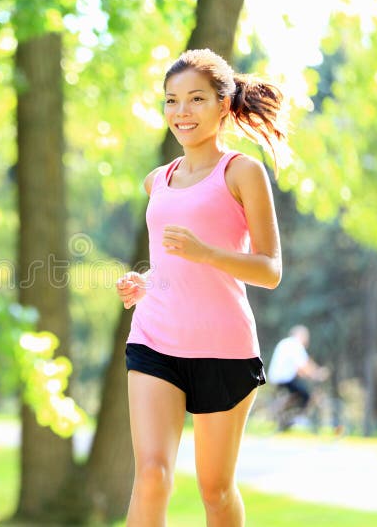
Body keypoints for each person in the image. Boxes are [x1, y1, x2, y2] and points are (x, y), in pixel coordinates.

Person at [115, 48, 290, 526]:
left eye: (194, 99)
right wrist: (143, 283)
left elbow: (270, 269)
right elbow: (171, 265)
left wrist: (208, 254)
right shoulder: (159, 181)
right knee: (151, 475)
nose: (181, 113)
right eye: (171, 101)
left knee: (215, 491)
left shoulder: (241, 172)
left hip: (224, 350)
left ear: (222, 102)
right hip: (155, 340)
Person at [267, 325, 330, 425]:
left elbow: (299, 368)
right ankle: (296, 419)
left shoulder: (286, 342)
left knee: (296, 394)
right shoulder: (295, 345)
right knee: (305, 395)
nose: (307, 341)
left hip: (277, 377)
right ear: (301, 335)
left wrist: (310, 373)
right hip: (284, 378)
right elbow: (304, 365)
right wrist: (316, 374)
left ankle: (286, 417)